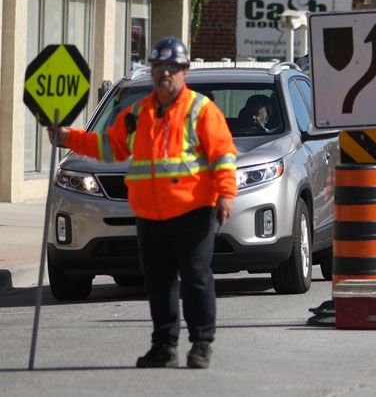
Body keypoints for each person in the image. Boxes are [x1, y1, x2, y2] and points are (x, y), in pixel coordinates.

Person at [48, 37, 237, 370]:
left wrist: (226, 193)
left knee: (195, 277)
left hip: (194, 211)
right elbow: (108, 148)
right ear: (152, 71)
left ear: (184, 72)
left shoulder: (201, 110)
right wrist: (67, 138)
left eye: (173, 68)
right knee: (159, 281)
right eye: (159, 67)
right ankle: (164, 346)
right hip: (150, 215)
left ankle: (201, 344)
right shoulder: (138, 114)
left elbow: (223, 154)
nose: (166, 74)